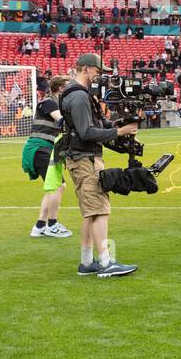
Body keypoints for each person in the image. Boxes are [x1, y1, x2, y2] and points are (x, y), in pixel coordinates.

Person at [58, 54, 138, 277]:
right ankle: (105, 263)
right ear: (85, 69)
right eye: (97, 71)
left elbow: (93, 126)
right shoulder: (80, 97)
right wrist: (119, 131)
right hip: (85, 160)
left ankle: (87, 263)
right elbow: (87, 132)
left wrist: (119, 124)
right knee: (100, 210)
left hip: (83, 158)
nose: (99, 76)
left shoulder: (79, 95)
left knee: (91, 213)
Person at [22, 75, 73, 238]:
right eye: (68, 86)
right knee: (58, 186)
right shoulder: (49, 102)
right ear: (60, 89)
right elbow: (62, 121)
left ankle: (40, 226)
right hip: (40, 148)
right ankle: (52, 225)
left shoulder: (56, 103)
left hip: (49, 148)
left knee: (55, 187)